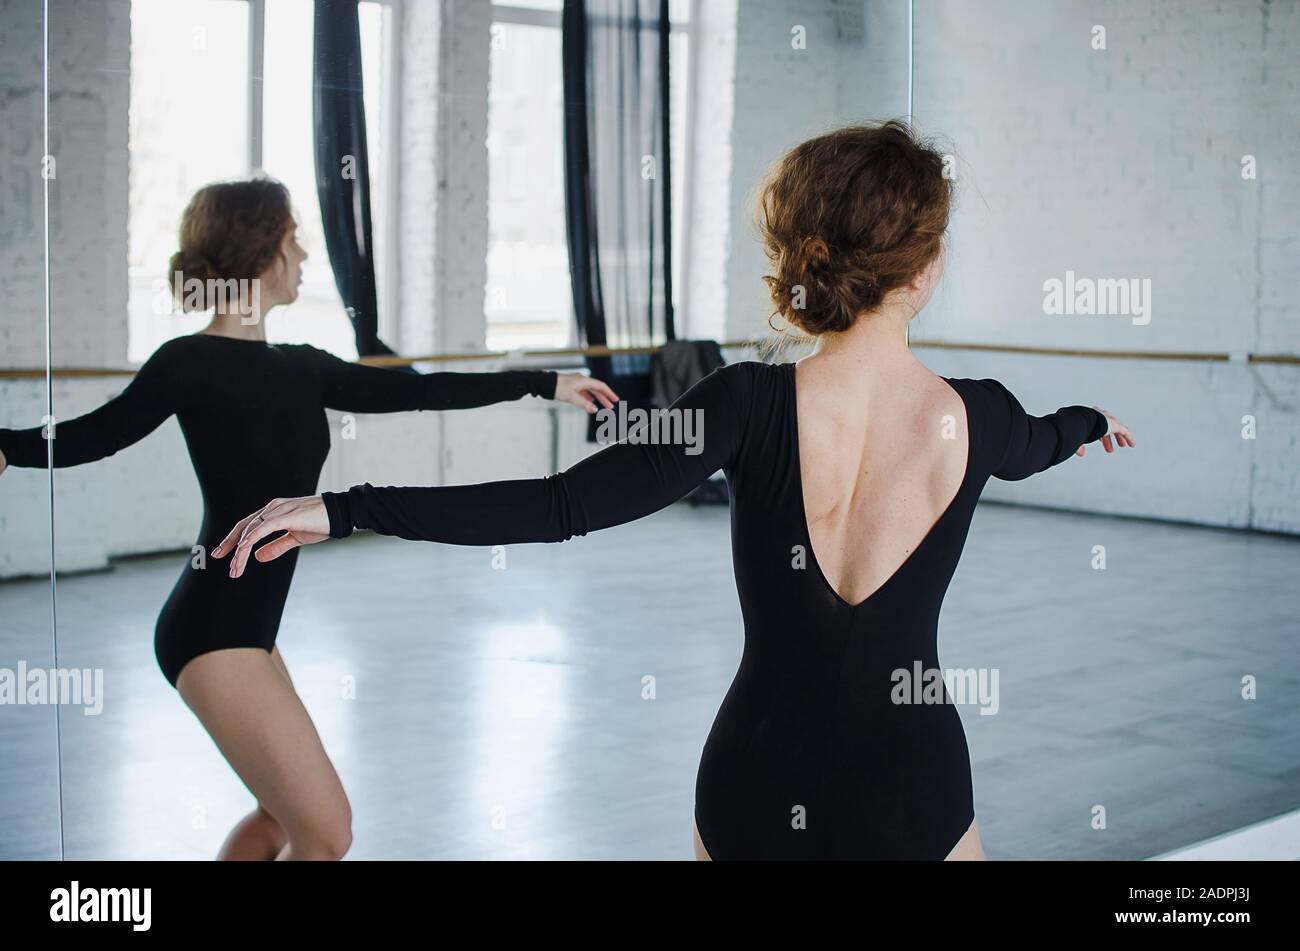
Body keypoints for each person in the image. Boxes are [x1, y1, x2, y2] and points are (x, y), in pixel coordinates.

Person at [217, 124, 1136, 860]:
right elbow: (1046, 441)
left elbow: (562, 503)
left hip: (755, 779)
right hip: (914, 785)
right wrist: (1093, 421)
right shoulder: (978, 419)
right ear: (925, 269)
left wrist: (346, 506)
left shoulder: (745, 402)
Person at [0, 177, 617, 860]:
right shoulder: (188, 362)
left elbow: (422, 392)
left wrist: (546, 381)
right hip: (213, 630)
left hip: (252, 631)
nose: (303, 256)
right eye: (293, 239)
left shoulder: (302, 367)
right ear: (261, 250)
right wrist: (7, 447)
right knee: (327, 832)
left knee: (279, 817)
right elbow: (96, 434)